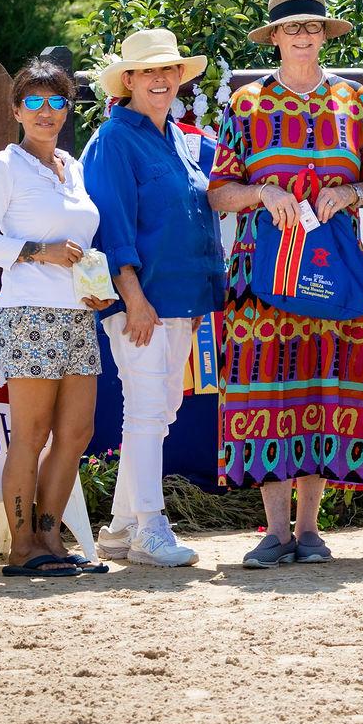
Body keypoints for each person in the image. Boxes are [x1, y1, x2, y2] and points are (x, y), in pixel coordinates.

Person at [208, 0, 363, 568]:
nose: (304, 37)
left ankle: (310, 530)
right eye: (292, 29)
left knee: (323, 387)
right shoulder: (246, 103)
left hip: (332, 272)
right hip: (260, 277)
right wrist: (262, 192)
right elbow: (218, 194)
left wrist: (351, 191)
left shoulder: (356, 100)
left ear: (324, 35)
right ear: (275, 39)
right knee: (266, 391)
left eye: (313, 28)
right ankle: (272, 532)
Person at [82, 28, 227, 568]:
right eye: (148, 71)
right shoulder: (113, 140)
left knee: (156, 413)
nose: (160, 79)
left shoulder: (183, 140)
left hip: (183, 299)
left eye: (168, 70)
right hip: (143, 302)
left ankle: (121, 528)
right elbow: (112, 225)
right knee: (146, 412)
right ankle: (150, 527)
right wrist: (133, 298)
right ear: (128, 81)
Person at [0, 58, 114, 577]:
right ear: (17, 110)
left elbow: (84, 241)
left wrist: (96, 288)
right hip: (28, 313)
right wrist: (38, 252)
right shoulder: (2, 166)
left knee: (76, 433)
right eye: (35, 101)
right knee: (29, 435)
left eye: (56, 102)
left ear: (68, 109)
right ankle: (22, 547)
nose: (46, 111)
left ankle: (50, 540)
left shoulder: (72, 166)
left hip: (77, 315)